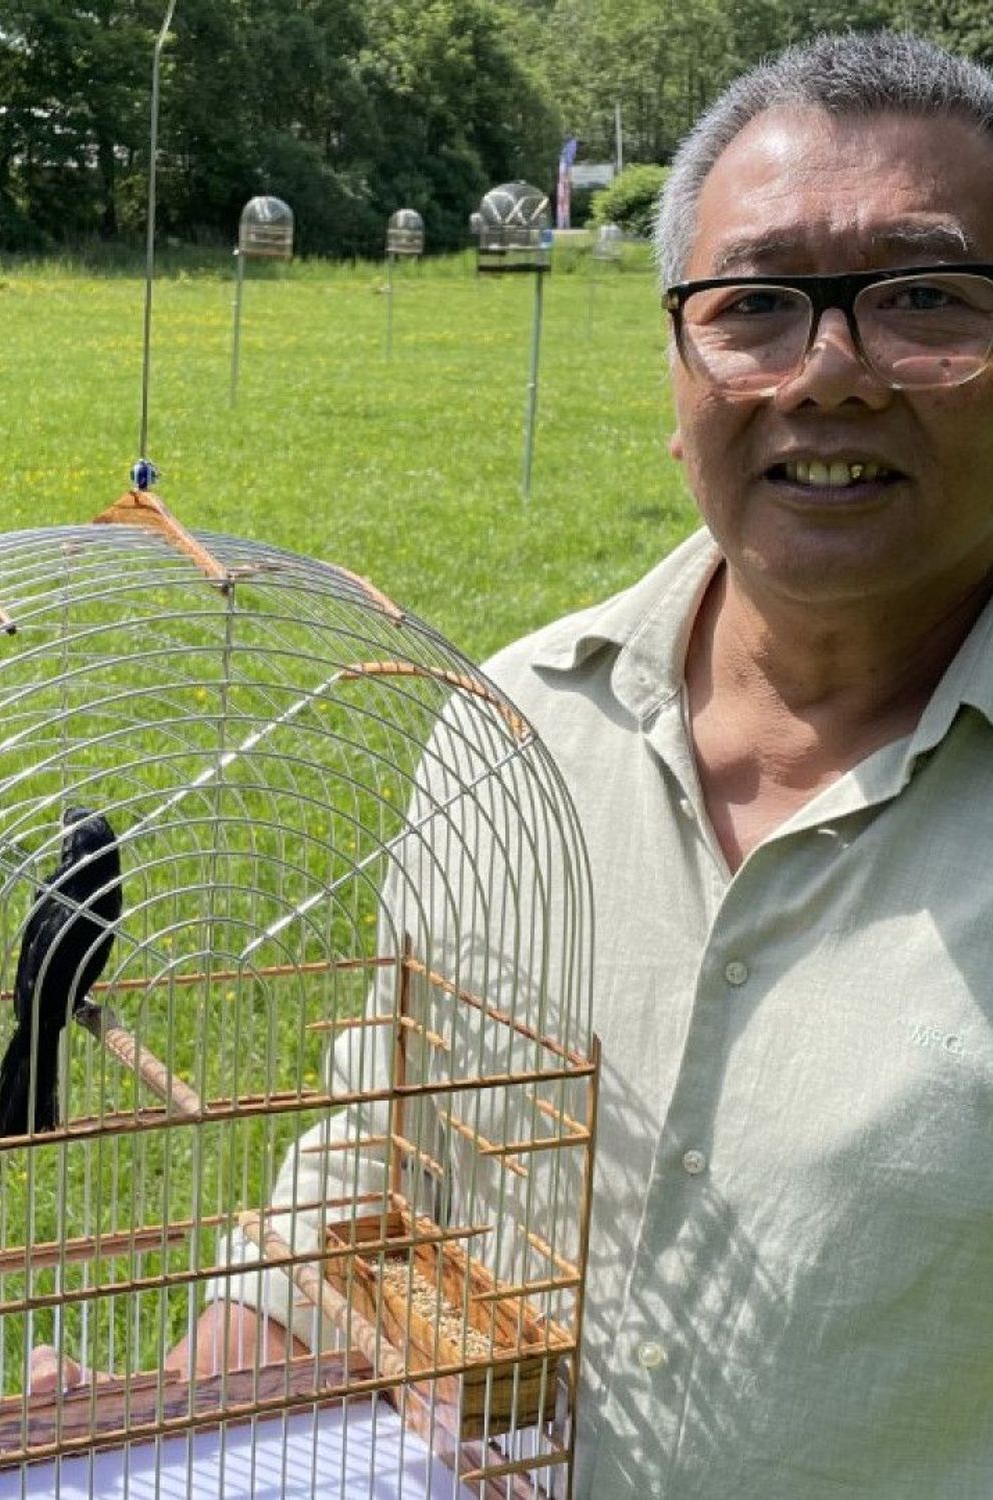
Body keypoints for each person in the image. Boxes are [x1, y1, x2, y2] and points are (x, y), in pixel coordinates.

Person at [57, 29, 993, 1495]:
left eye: (923, 298)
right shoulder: (517, 729)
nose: (830, 374)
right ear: (677, 370)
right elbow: (378, 1160)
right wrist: (179, 1412)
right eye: (754, 309)